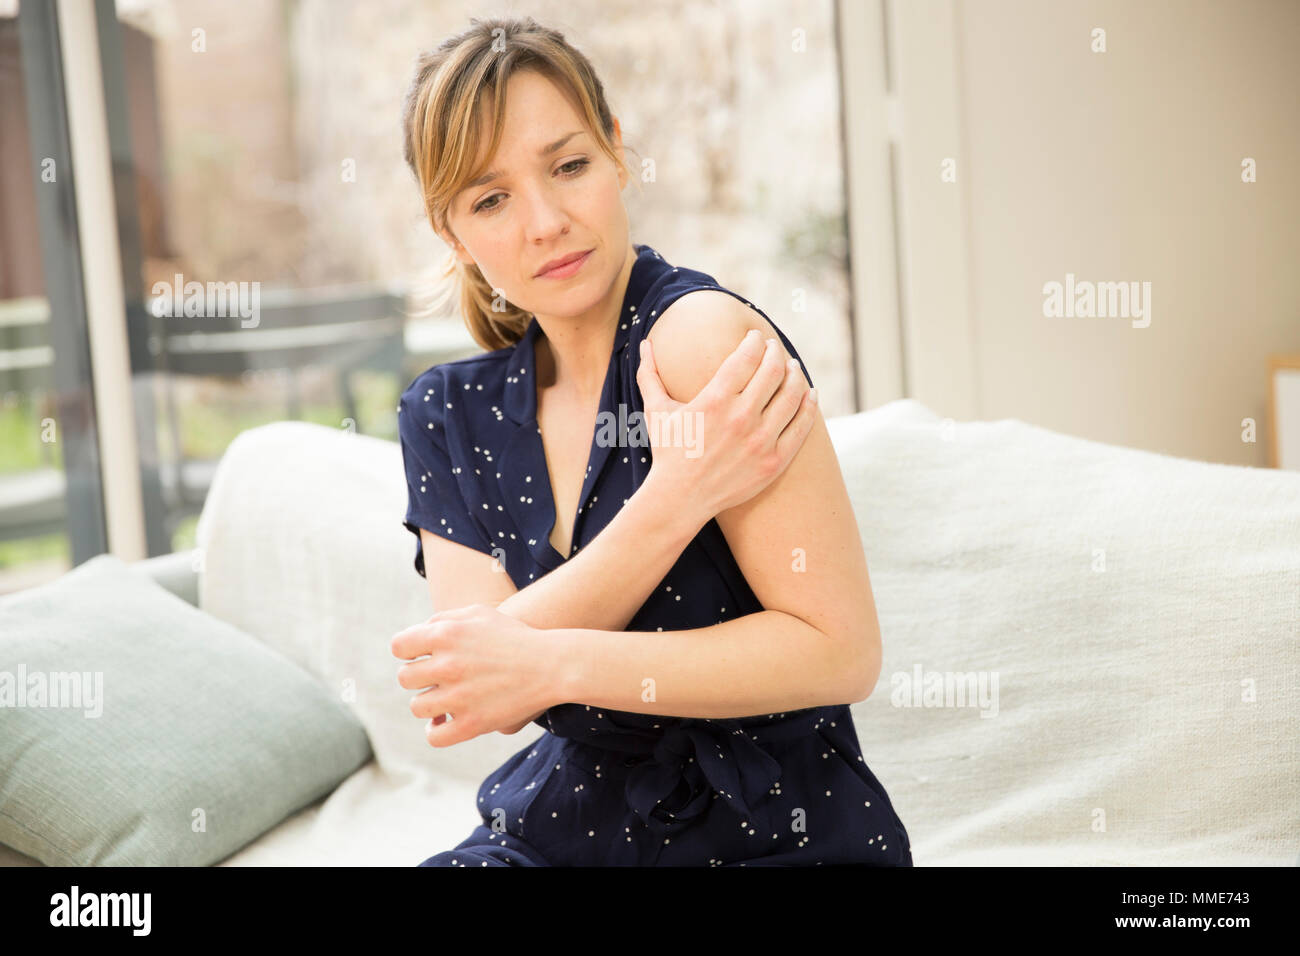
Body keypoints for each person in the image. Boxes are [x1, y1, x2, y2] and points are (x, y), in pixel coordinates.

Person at [391, 15, 912, 866]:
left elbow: (841, 649)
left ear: (616, 152)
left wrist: (550, 663)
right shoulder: (448, 414)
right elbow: (465, 685)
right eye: (491, 199)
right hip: (560, 829)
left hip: (768, 827)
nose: (546, 220)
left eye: (568, 166)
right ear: (453, 234)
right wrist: (677, 499)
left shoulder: (698, 340)